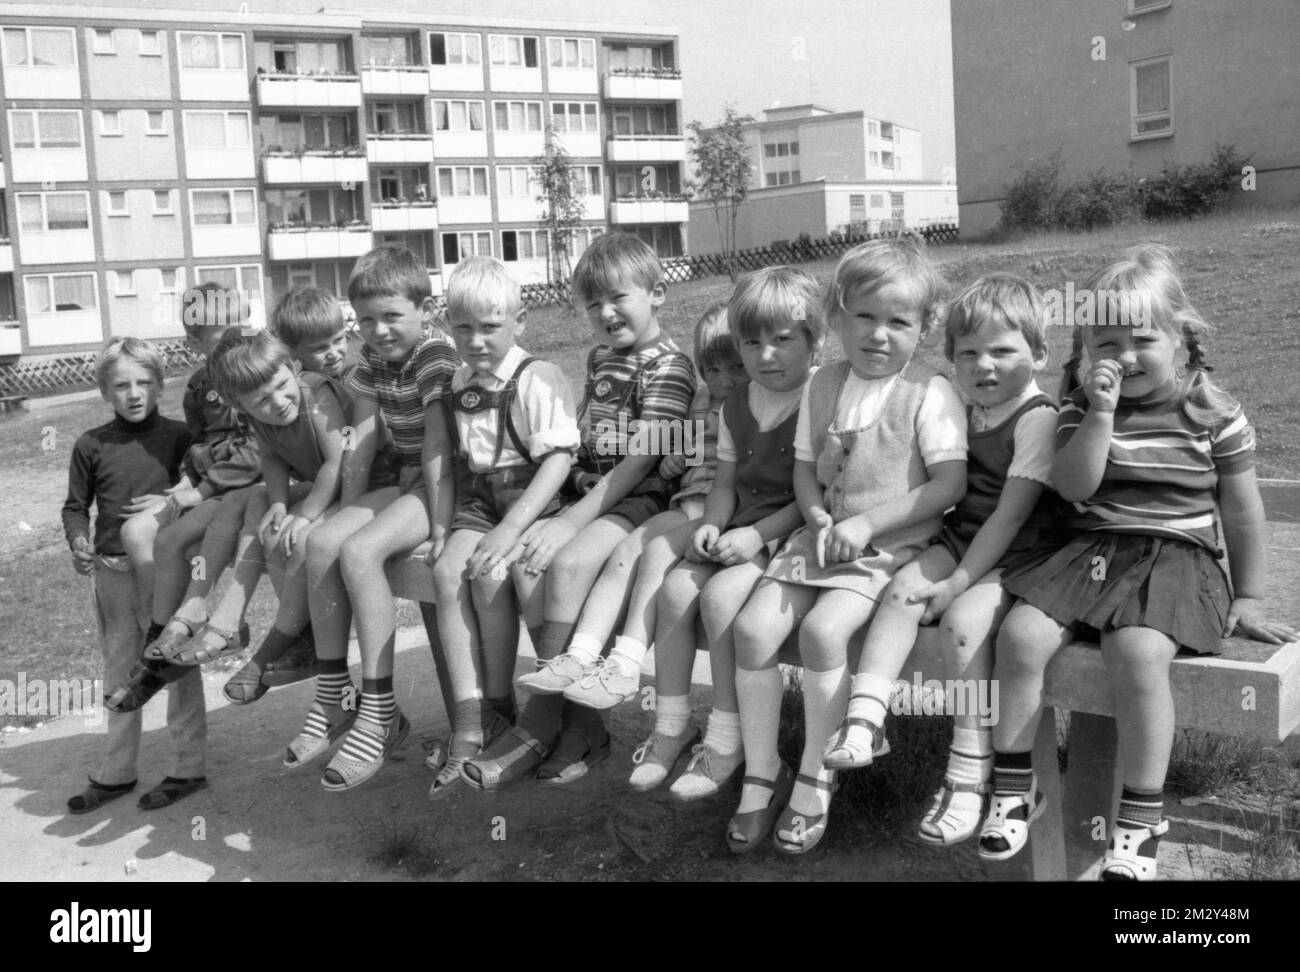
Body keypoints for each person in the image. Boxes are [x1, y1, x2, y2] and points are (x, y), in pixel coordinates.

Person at [980, 244, 1297, 880]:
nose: (1123, 358)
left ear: (1183, 336)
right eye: (1104, 343)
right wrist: (1098, 414)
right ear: (1083, 351)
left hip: (1177, 563)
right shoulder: (1079, 407)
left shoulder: (1214, 413)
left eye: (1141, 339)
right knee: (1018, 637)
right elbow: (1073, 487)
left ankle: (1141, 816)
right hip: (1089, 552)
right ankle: (1014, 784)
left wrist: (1251, 596)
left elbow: (1241, 512)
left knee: (1138, 653)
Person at [727, 238, 967, 854]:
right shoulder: (823, 383)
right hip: (820, 536)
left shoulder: (929, 392)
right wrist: (814, 515)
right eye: (864, 316)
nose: (879, 334)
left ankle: (815, 776)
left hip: (888, 548)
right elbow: (806, 468)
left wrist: (866, 525)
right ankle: (760, 772)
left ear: (925, 328)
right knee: (752, 629)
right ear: (836, 317)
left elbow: (948, 486)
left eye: (898, 321)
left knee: (824, 632)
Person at [819, 273, 1061, 847]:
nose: (985, 366)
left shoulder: (1036, 418)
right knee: (902, 591)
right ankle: (866, 718)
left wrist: (957, 581)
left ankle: (968, 770)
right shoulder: (968, 408)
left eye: (1004, 351)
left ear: (1040, 354)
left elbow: (1008, 517)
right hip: (964, 540)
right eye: (968, 354)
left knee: (961, 624)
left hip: (1024, 552)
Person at [461, 232, 696, 790]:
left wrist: (570, 519)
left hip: (642, 502)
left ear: (658, 293)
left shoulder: (668, 367)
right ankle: (581, 728)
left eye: (618, 297)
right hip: (594, 489)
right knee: (523, 563)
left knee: (563, 564)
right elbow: (594, 442)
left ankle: (540, 725)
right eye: (592, 303)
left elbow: (639, 465)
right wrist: (570, 497)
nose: (605, 312)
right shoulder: (601, 358)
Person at [627, 267, 822, 803]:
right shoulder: (737, 405)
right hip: (742, 524)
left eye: (782, 340)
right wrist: (713, 522)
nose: (765, 356)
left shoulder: (819, 399)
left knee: (718, 600)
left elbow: (816, 499)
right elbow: (724, 483)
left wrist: (757, 536)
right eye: (751, 342)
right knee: (674, 589)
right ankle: (670, 725)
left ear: (814, 341)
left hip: (791, 534)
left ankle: (726, 737)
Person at [286, 246, 459, 792]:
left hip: (450, 482)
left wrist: (439, 526)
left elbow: (437, 447)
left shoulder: (434, 354)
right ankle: (337, 693)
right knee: (323, 542)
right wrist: (344, 510)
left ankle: (380, 709)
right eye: (365, 320)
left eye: (391, 316)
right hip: (408, 478)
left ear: (424, 308)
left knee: (361, 552)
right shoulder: (371, 363)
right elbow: (356, 441)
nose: (378, 330)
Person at [519, 302, 744, 710]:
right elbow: (684, 448)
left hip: (726, 514)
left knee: (651, 556)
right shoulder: (700, 399)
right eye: (712, 369)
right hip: (686, 503)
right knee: (625, 554)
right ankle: (578, 657)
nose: (723, 380)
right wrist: (678, 457)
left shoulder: (755, 404)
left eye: (735, 368)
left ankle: (625, 663)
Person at [429, 257, 579, 798]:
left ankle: (505, 708)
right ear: (447, 324)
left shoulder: (536, 376)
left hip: (532, 500)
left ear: (520, 320)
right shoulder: (457, 379)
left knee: (492, 573)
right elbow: (458, 460)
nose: (475, 340)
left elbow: (559, 461)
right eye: (462, 326)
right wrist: (445, 527)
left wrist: (510, 532)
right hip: (481, 500)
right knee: (448, 573)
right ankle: (474, 719)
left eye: (490, 327)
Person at [62, 338, 206, 812]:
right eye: (121, 385)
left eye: (144, 382)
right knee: (122, 668)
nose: (134, 393)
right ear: (105, 390)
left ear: (161, 384)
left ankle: (188, 767)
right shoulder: (91, 444)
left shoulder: (182, 437)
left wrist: (172, 500)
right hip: (112, 572)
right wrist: (79, 541)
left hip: (165, 569)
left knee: (174, 662)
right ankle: (118, 772)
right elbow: (75, 508)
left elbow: (202, 492)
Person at [173, 325, 348, 713]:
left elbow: (339, 462)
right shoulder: (262, 417)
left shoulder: (314, 395)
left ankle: (287, 641)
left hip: (358, 486)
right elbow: (271, 458)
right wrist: (283, 506)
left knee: (298, 539)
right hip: (325, 489)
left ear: (291, 367)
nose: (277, 402)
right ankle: (287, 632)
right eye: (261, 401)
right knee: (267, 518)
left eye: (280, 385)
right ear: (241, 407)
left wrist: (306, 515)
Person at [108, 282, 261, 712]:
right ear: (196, 344)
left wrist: (205, 486)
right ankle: (160, 644)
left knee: (183, 537)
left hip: (249, 488)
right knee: (168, 540)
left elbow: (258, 450)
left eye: (241, 330)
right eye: (222, 337)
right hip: (218, 486)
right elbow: (199, 441)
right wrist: (187, 479)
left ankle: (170, 652)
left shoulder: (259, 370)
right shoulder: (198, 387)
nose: (237, 342)